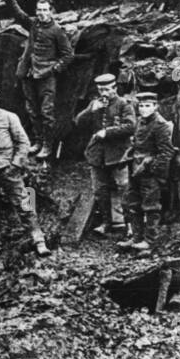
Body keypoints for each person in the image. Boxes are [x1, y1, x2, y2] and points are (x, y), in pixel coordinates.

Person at [0, 85, 50, 258]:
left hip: (8, 169)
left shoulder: (9, 117)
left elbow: (23, 143)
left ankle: (38, 240)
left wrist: (15, 165)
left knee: (23, 204)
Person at [2, 0, 74, 161]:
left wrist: (55, 69)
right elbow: (20, 15)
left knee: (46, 112)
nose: (41, 13)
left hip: (46, 76)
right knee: (32, 110)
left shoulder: (56, 30)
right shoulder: (34, 24)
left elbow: (68, 55)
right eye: (39, 10)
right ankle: (38, 141)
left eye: (45, 10)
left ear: (51, 12)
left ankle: (48, 145)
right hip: (29, 73)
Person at [72, 74, 135, 238]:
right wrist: (90, 110)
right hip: (97, 155)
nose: (104, 93)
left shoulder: (124, 105)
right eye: (101, 90)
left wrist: (107, 132)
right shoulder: (95, 104)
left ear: (115, 88)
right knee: (100, 190)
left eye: (107, 89)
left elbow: (130, 126)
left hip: (119, 154)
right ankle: (107, 223)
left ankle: (130, 224)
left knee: (125, 189)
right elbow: (78, 122)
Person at [119, 92, 174, 255]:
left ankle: (150, 242)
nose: (144, 109)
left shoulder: (160, 124)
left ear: (156, 106)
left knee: (151, 207)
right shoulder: (140, 122)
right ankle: (136, 238)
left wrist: (153, 171)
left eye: (148, 105)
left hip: (149, 172)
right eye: (141, 106)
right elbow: (136, 145)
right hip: (136, 170)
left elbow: (166, 153)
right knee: (132, 204)